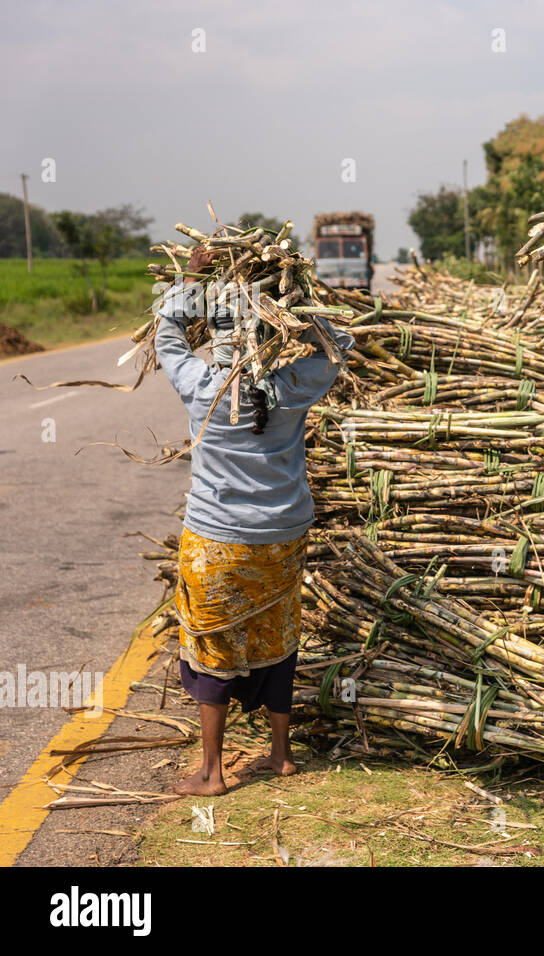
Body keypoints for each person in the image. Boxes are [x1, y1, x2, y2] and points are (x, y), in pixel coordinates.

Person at [155, 247, 355, 796]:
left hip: (216, 541)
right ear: (269, 335)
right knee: (278, 633)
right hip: (282, 537)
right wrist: (297, 300)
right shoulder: (291, 387)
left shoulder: (201, 385)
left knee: (212, 647)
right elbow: (340, 343)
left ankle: (212, 772)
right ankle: (281, 755)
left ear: (218, 341)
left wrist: (192, 280)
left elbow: (167, 335)